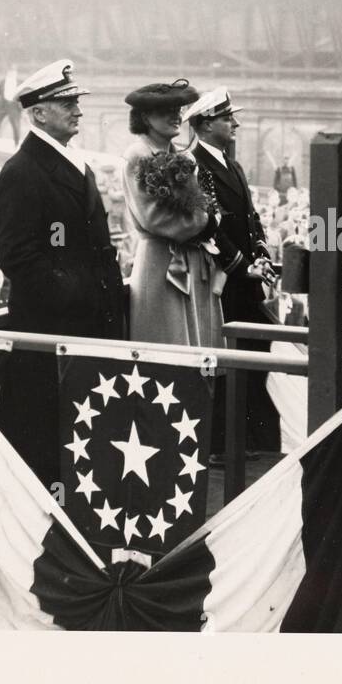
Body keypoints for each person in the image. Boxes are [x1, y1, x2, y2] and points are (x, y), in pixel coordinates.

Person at [0, 58, 124, 482]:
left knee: (80, 440)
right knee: (45, 444)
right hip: (53, 333)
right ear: (39, 113)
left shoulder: (72, 165)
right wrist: (76, 295)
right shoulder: (21, 172)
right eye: (67, 103)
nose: (78, 111)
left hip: (85, 329)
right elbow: (18, 258)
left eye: (75, 102)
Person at [186, 88, 281, 455]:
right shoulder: (196, 165)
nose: (235, 123)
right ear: (206, 124)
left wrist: (259, 250)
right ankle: (229, 446)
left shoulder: (232, 164)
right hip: (224, 284)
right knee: (233, 364)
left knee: (256, 354)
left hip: (245, 281)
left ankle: (251, 442)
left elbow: (249, 217)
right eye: (227, 118)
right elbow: (211, 227)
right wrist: (243, 265)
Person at [122, 79, 225, 348]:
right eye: (166, 110)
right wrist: (207, 221)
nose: (176, 116)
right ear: (145, 116)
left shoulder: (182, 156)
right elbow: (156, 219)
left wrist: (205, 217)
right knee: (167, 348)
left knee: (194, 346)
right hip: (161, 266)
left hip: (187, 263)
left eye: (179, 109)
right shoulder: (138, 155)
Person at [0, 65, 23, 146]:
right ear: (8, 72)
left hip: (13, 105)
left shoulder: (20, 82)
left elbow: (23, 95)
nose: (12, 73)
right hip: (2, 105)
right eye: (10, 71)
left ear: (16, 73)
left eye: (13, 72)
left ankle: (17, 143)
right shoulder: (3, 81)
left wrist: (22, 106)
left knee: (15, 124)